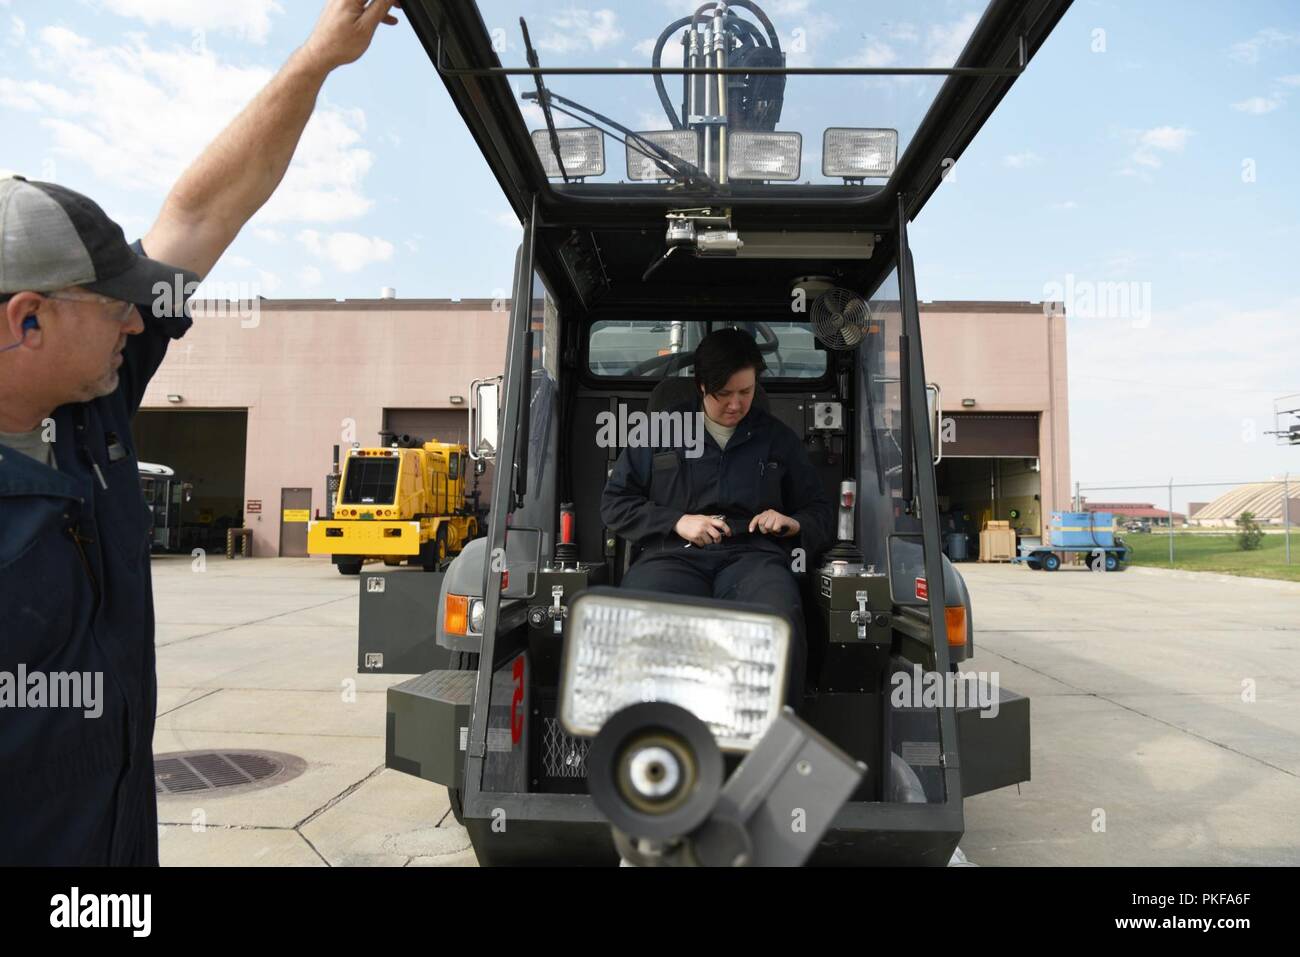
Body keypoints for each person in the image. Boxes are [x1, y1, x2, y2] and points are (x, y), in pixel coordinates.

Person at [0, 0, 401, 866]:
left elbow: (202, 213)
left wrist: (318, 58)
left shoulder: (89, 402)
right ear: (28, 320)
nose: (139, 324)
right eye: (115, 306)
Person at [600, 328, 834, 705]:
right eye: (724, 394)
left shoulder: (777, 438)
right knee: (640, 616)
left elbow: (820, 511)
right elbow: (615, 503)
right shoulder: (659, 430)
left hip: (753, 559)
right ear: (701, 386)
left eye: (746, 391)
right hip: (670, 556)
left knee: (779, 620)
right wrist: (677, 522)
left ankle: (773, 747)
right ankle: (649, 742)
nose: (736, 404)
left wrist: (793, 523)